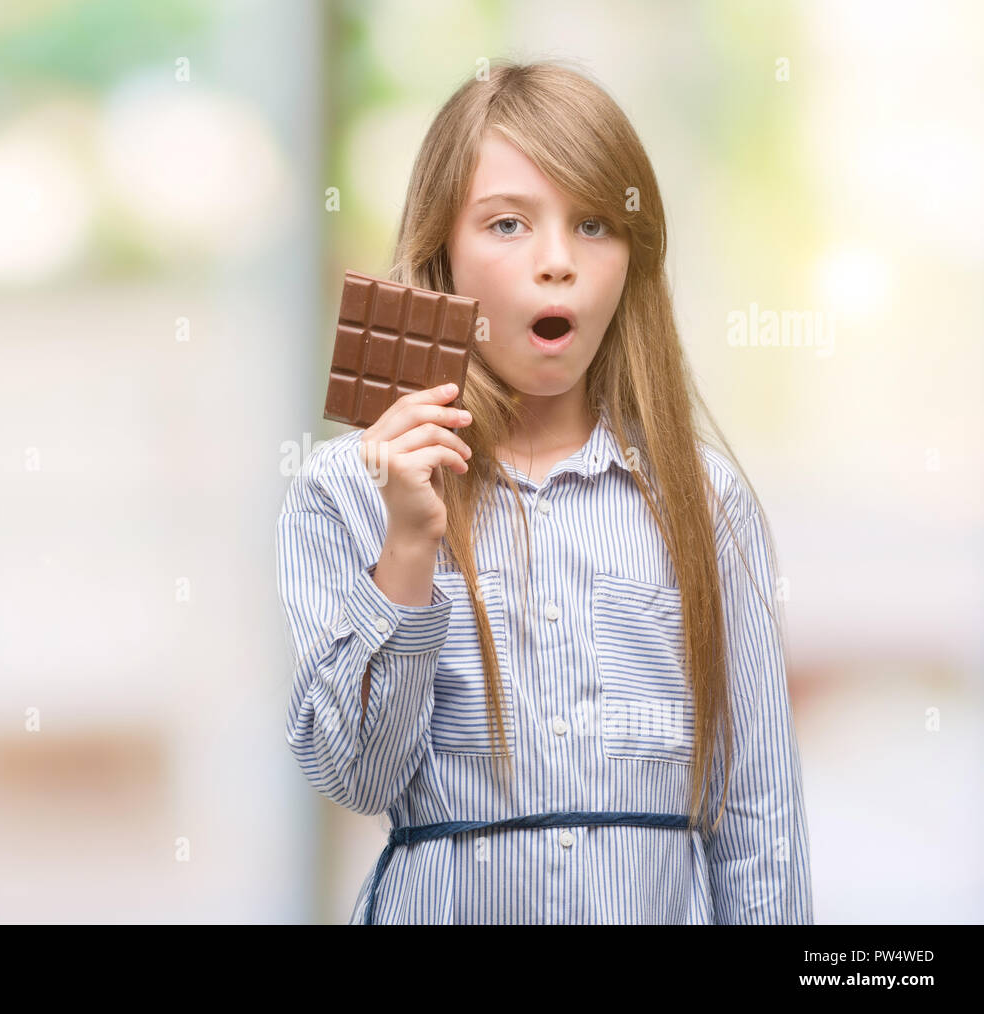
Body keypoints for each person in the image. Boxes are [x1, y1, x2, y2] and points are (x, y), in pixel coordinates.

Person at [276, 59, 814, 924]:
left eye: (595, 224)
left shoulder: (704, 502)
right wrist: (409, 548)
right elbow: (355, 778)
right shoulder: (344, 492)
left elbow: (758, 817)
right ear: (440, 252)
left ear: (633, 261)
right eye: (508, 224)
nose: (557, 262)